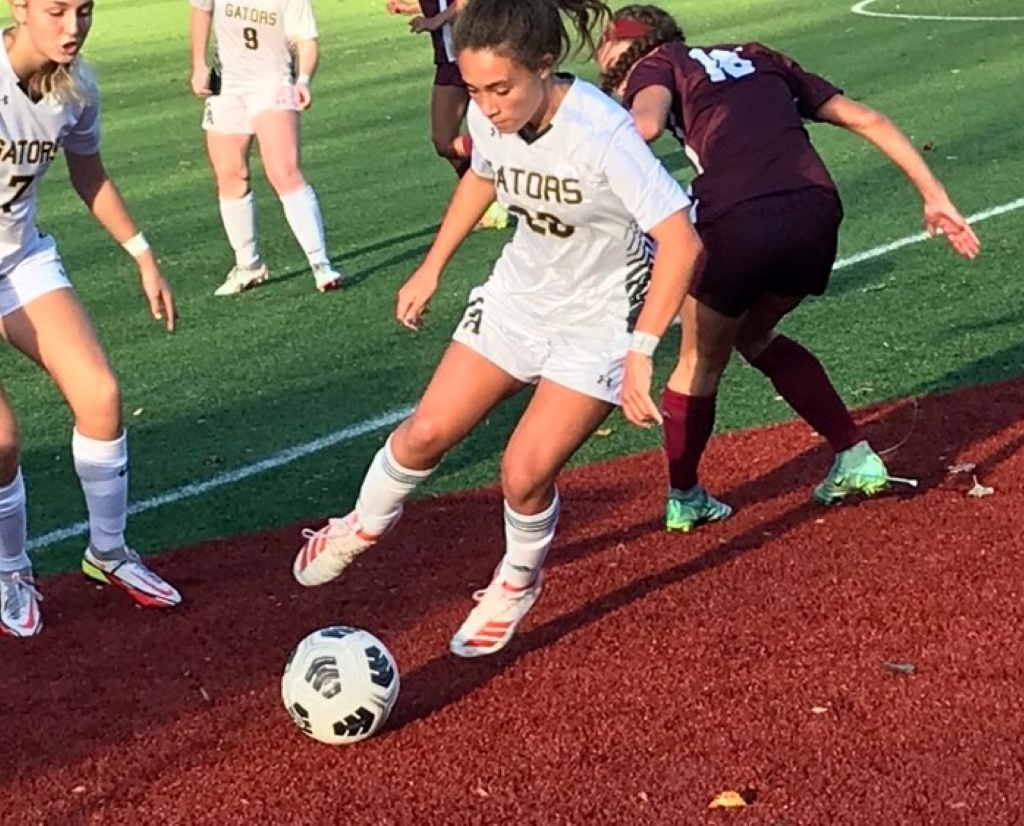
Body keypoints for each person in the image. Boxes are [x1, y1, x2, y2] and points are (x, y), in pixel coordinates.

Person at [293, 0, 702, 657]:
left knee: (521, 473)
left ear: (545, 65)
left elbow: (680, 242)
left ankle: (516, 581)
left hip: (597, 322)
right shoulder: (491, 116)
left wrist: (643, 351)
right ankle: (362, 524)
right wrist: (431, 268)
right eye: (474, 90)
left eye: (500, 89)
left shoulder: (601, 132)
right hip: (517, 300)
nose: (486, 107)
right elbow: (481, 179)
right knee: (424, 432)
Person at [596, 5, 980, 532]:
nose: (601, 58)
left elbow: (644, 123)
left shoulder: (655, 66)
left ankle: (686, 495)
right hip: (816, 212)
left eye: (605, 46)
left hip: (736, 221)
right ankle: (854, 453)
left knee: (698, 362)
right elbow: (866, 118)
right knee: (752, 336)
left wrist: (581, 144)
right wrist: (934, 196)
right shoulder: (757, 55)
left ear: (631, 44)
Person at [0, 0, 182, 638]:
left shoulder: (76, 90)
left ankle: (108, 554)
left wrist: (143, 255)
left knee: (101, 397)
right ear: (19, 9)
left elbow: (91, 177)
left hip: (18, 260)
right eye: (56, 10)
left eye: (85, 10)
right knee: (0, 439)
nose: (73, 26)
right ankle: (10, 567)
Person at [190, 0, 341, 295]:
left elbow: (306, 41)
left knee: (284, 171)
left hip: (273, 85)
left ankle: (320, 265)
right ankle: (248, 265)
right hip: (227, 85)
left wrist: (304, 80)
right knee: (230, 175)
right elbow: (201, 11)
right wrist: (198, 64)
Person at [385, 0, 509, 230]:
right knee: (443, 140)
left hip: (480, 53)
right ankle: (491, 185)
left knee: (505, 126)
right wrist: (411, 8)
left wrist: (433, 22)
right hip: (448, 62)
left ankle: (493, 194)